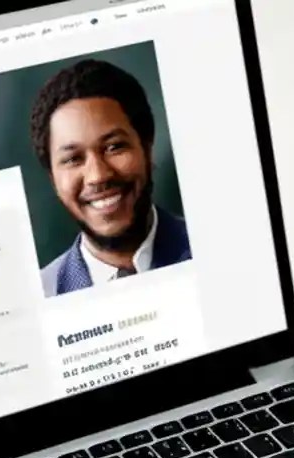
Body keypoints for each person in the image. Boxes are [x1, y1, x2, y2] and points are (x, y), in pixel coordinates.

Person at [30, 59, 191, 298]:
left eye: (114, 147)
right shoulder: (40, 300)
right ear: (53, 179)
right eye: (73, 159)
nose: (97, 176)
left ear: (147, 148)